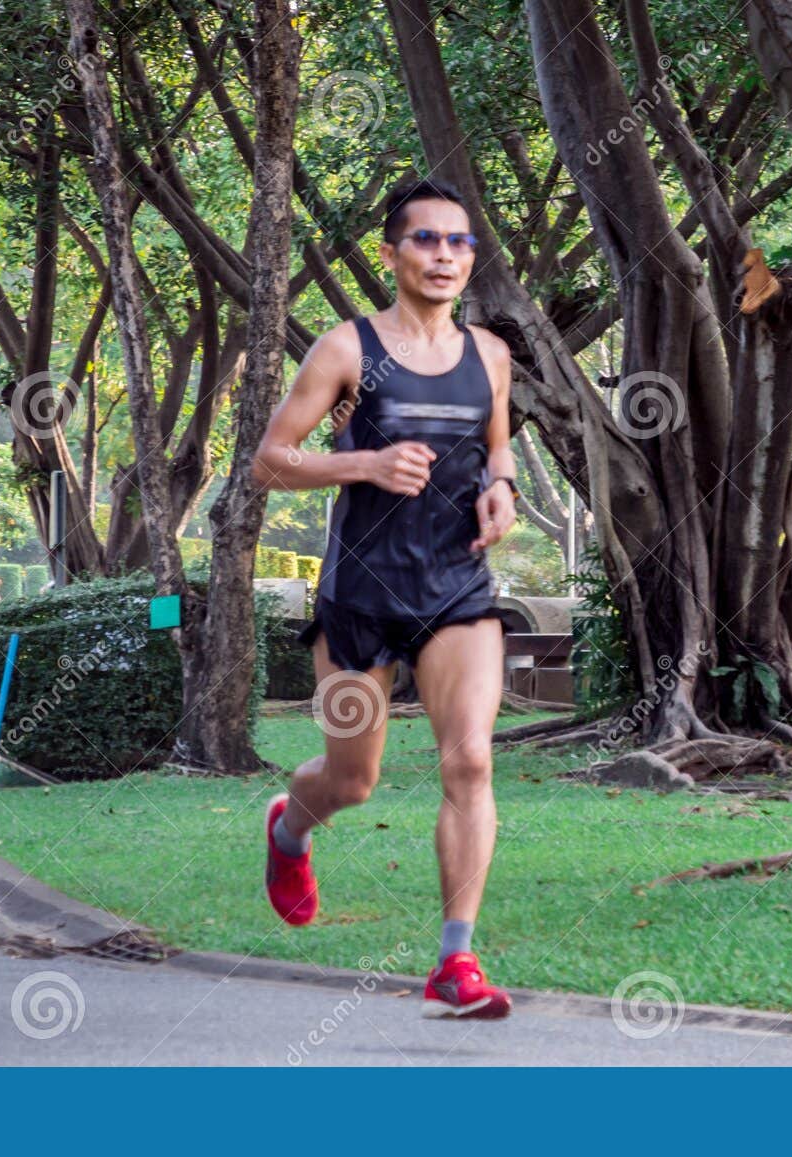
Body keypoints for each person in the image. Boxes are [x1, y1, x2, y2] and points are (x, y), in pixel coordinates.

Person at [252, 176, 520, 1020]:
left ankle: (455, 958)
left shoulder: (491, 355)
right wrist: (365, 464)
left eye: (460, 242)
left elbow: (498, 449)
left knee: (470, 758)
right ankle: (289, 830)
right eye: (426, 240)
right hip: (362, 594)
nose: (445, 256)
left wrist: (503, 490)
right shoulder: (346, 350)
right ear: (392, 253)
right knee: (352, 778)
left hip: (457, 587)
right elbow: (271, 459)